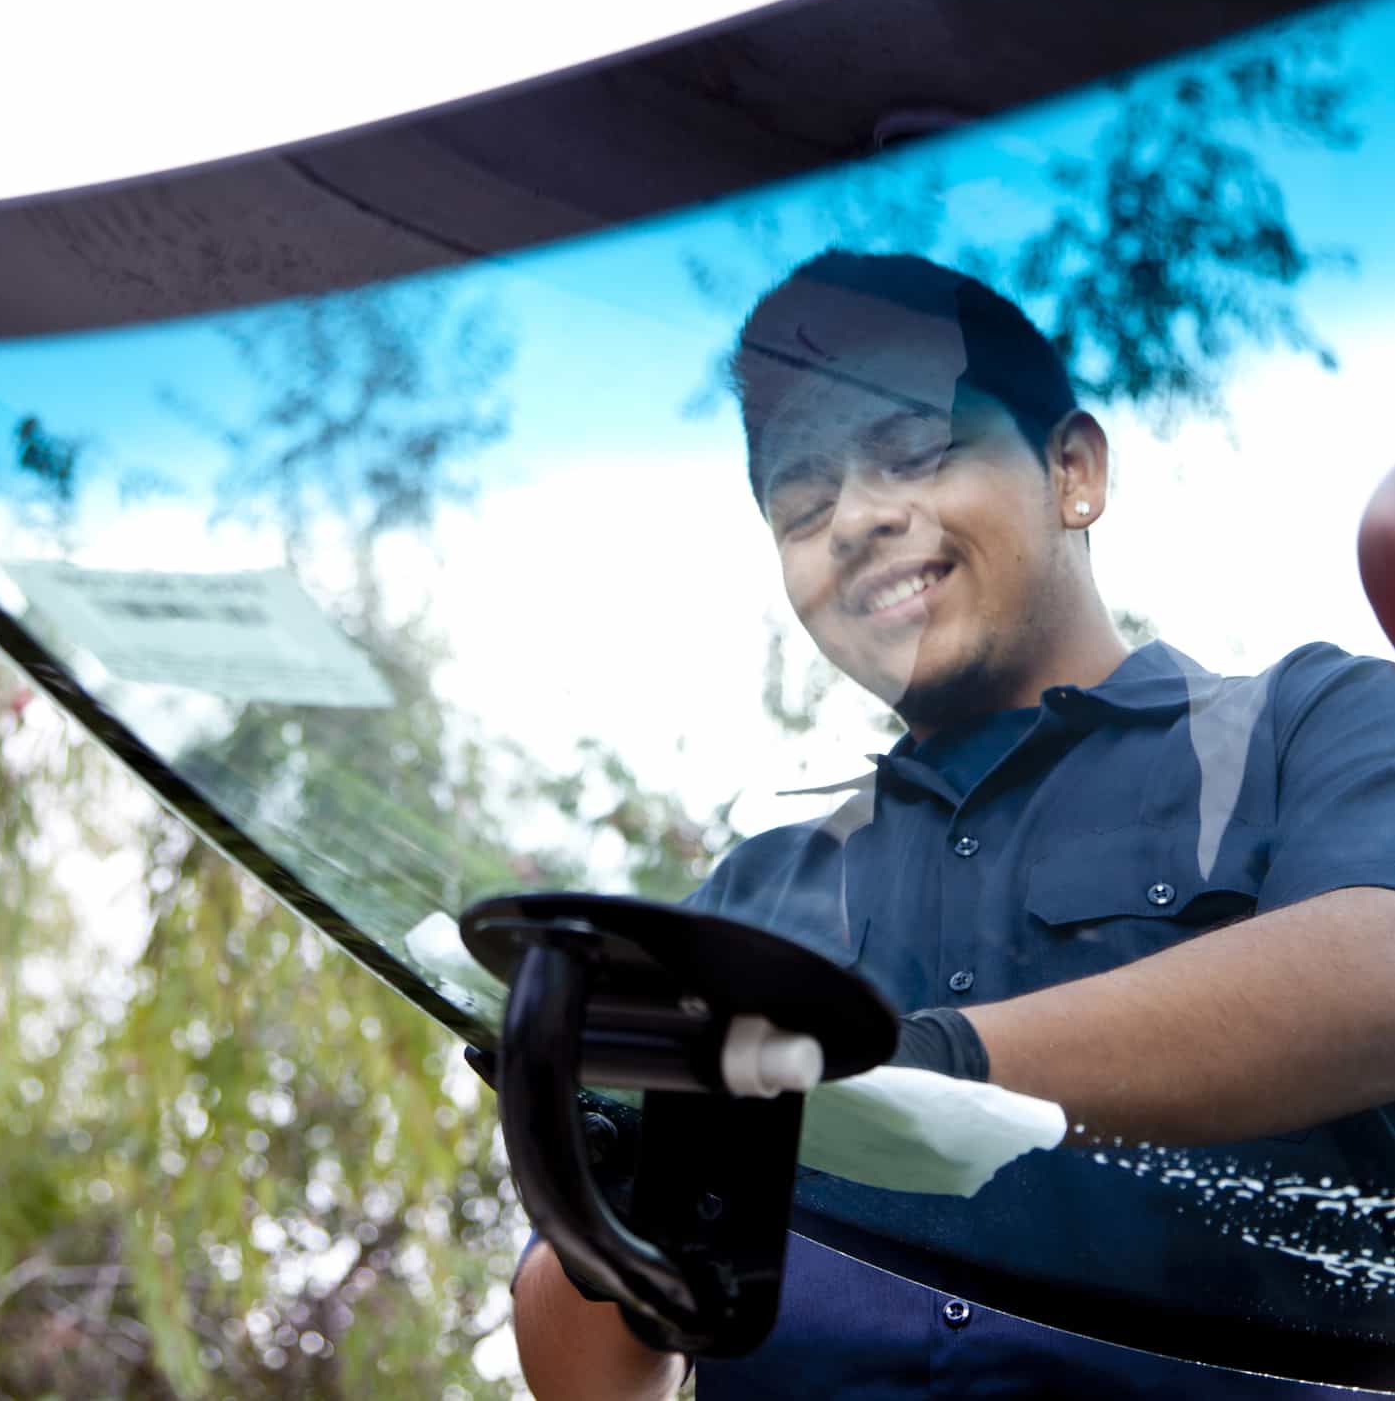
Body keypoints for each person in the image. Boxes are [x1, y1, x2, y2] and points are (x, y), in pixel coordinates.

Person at [510, 251, 1395, 1399]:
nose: (858, 521)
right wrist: (605, 1161)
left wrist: (918, 1076)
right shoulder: (747, 900)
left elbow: (1377, 970)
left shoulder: (1313, 723)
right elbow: (592, 1381)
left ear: (1073, 470)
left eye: (914, 452)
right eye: (804, 503)